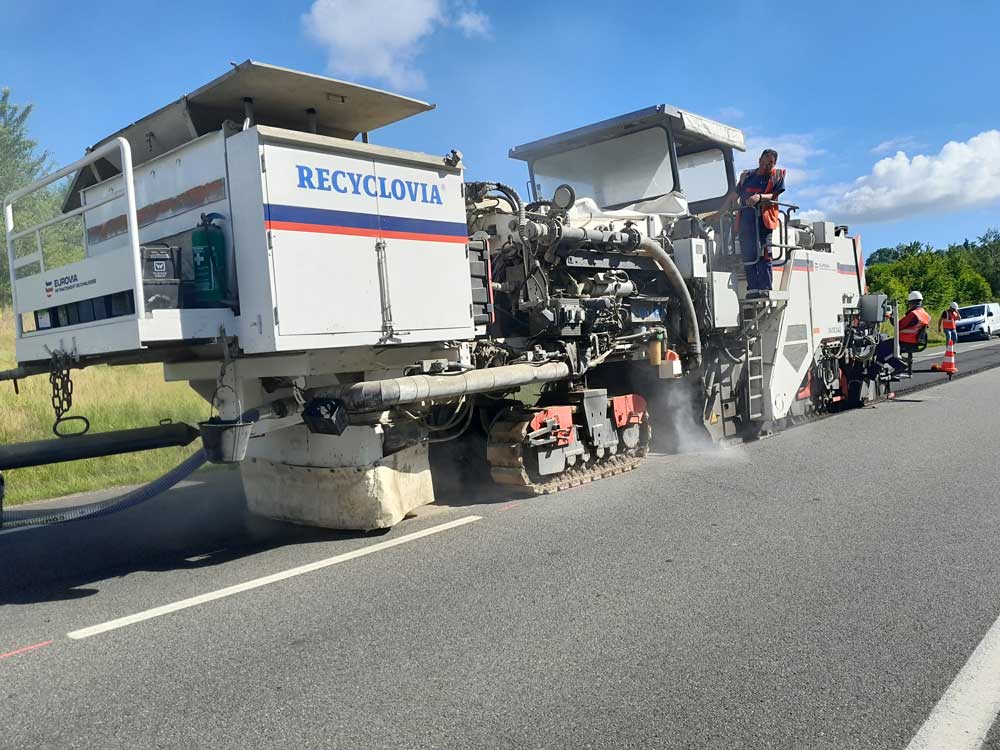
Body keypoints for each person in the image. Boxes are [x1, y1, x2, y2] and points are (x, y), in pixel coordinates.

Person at [724, 149, 786, 297]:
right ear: (759, 160)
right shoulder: (747, 176)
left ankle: (765, 288)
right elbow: (734, 195)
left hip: (764, 221)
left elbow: (774, 195)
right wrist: (720, 213)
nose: (766, 166)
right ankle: (752, 289)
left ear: (774, 163)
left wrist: (759, 197)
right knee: (748, 255)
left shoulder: (777, 176)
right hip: (746, 221)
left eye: (770, 163)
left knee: (764, 254)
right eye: (764, 162)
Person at [876, 290, 931, 375]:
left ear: (910, 303)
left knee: (881, 348)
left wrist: (890, 316)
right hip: (915, 341)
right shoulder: (925, 314)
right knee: (885, 346)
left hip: (906, 341)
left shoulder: (913, 314)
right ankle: (877, 370)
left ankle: (898, 366)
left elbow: (898, 325)